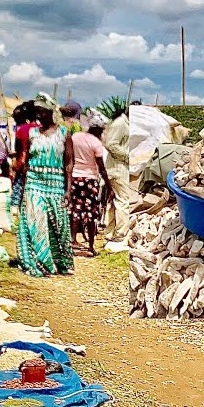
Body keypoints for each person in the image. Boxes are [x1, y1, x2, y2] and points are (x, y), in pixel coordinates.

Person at [15, 94, 74, 277]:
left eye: (42, 111)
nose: (39, 115)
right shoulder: (33, 134)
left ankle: (59, 262)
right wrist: (24, 189)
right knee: (36, 222)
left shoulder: (64, 133)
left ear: (51, 112)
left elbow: (69, 163)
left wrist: (68, 189)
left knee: (58, 224)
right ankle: (38, 262)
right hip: (34, 182)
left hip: (56, 184)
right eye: (37, 112)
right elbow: (25, 163)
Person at [67, 111, 112, 256]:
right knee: (92, 214)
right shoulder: (96, 144)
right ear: (98, 129)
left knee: (75, 210)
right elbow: (101, 167)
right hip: (90, 180)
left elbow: (70, 158)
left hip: (75, 178)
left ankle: (72, 240)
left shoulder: (76, 137)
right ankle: (91, 247)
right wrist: (110, 187)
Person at [101, 104, 132, 242]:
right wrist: (127, 156)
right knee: (123, 201)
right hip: (118, 168)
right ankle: (120, 233)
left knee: (114, 202)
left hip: (118, 168)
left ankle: (110, 232)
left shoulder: (125, 123)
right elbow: (111, 144)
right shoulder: (121, 123)